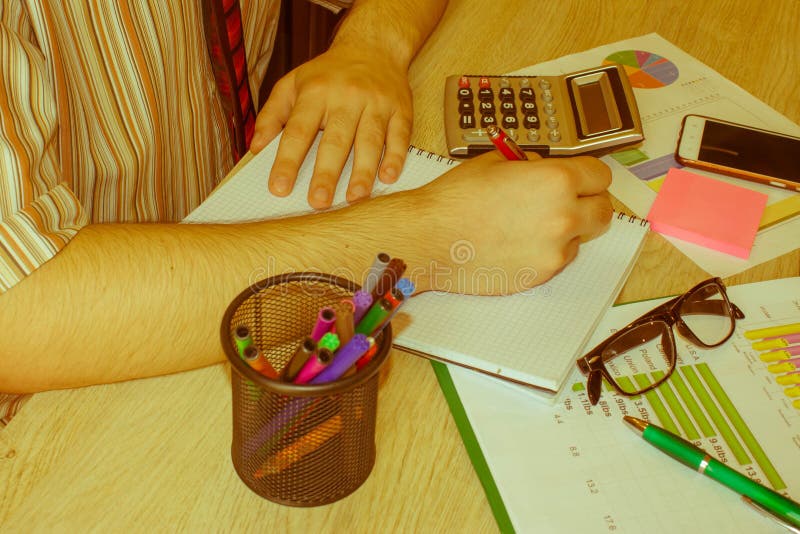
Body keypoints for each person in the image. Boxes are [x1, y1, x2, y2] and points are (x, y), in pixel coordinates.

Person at [0, 0, 613, 407]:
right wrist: (434, 237)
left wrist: (374, 40)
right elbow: (17, 312)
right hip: (62, 406)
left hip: (211, 300)